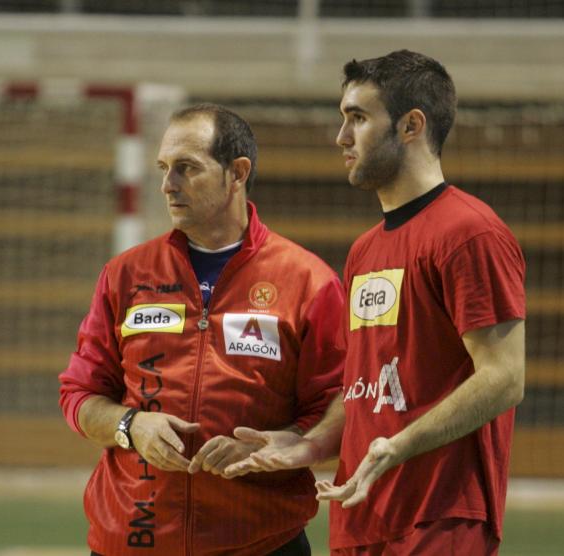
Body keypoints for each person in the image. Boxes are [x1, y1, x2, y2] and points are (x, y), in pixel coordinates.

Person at [225, 50, 527, 555]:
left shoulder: (469, 233)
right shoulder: (366, 250)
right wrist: (311, 443)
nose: (341, 138)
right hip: (360, 515)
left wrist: (397, 447)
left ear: (411, 126)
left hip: (439, 517)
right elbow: (369, 388)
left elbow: (503, 378)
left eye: (358, 118)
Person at [58, 103, 346, 555]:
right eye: (163, 168)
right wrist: (131, 425)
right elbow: (77, 396)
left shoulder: (309, 281)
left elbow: (339, 406)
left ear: (237, 172)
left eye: (186, 168)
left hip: (263, 543)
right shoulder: (125, 275)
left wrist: (287, 443)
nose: (167, 185)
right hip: (132, 541)